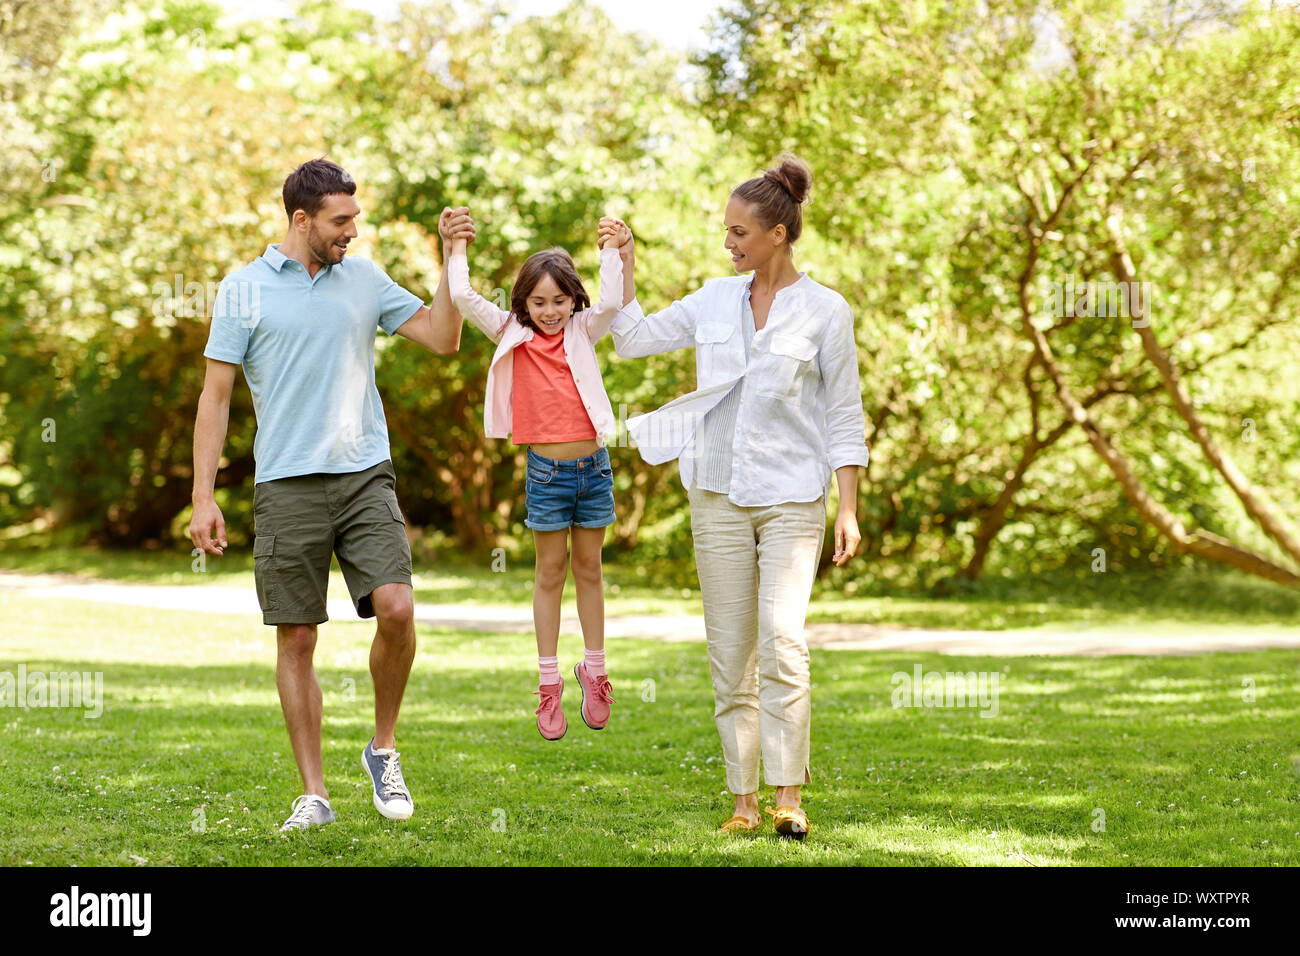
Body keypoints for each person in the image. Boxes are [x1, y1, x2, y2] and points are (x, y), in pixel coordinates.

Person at [188, 157, 475, 831]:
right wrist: (204, 495)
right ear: (301, 219)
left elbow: (442, 337)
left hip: (363, 473)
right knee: (296, 636)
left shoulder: (365, 280)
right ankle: (314, 794)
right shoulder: (243, 291)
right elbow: (215, 395)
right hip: (285, 481)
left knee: (397, 607)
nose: (352, 230)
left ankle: (383, 746)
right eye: (340, 220)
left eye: (354, 218)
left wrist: (451, 259)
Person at [607, 154, 867, 839]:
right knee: (731, 653)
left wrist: (848, 506)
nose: (729, 244)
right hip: (716, 492)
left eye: (739, 233)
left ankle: (789, 795)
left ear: (778, 234)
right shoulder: (713, 300)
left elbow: (843, 414)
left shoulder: (825, 311)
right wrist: (624, 262)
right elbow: (632, 339)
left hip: (792, 496)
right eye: (726, 232)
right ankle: (743, 799)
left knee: (783, 639)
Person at [447, 212, 630, 740]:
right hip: (547, 474)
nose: (550, 312)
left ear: (574, 299)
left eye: (559, 300)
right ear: (522, 303)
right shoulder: (509, 332)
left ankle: (595, 671)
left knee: (590, 571)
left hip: (593, 468)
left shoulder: (583, 328)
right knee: (551, 574)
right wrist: (456, 244)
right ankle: (549, 684)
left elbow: (614, 302)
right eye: (539, 302)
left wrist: (612, 250)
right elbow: (462, 297)